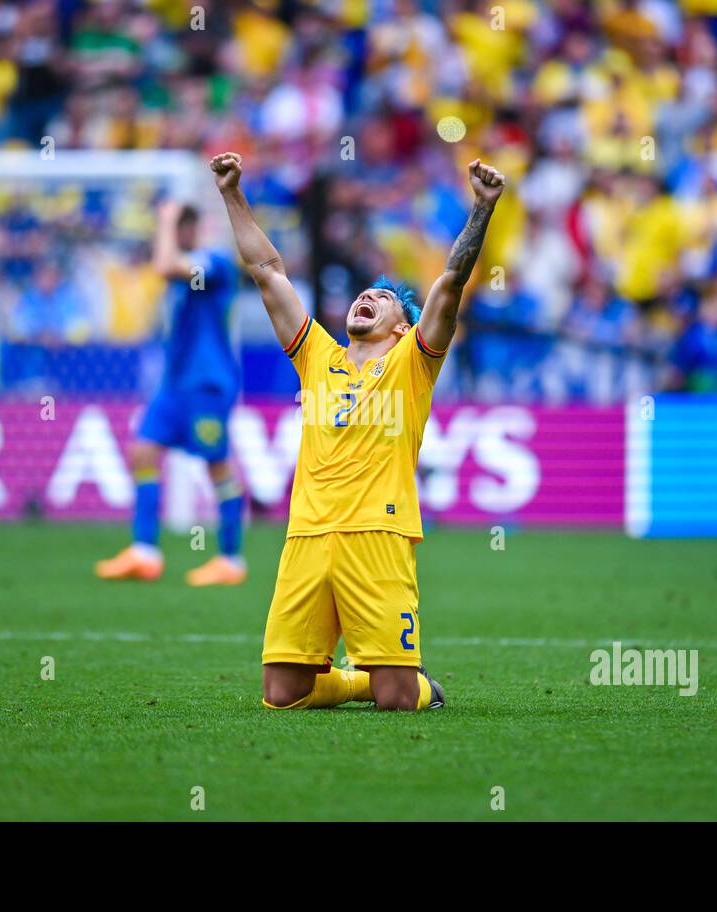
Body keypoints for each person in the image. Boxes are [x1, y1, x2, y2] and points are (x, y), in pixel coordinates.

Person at [210, 150, 505, 711]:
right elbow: (268, 272)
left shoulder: (413, 364)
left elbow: (450, 283)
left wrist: (482, 210)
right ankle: (352, 679)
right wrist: (232, 193)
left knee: (399, 699)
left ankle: (396, 681)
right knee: (281, 694)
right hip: (308, 535)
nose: (367, 296)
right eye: (364, 293)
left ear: (402, 328)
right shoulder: (317, 354)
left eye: (384, 298)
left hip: (379, 536)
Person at [95, 201, 247, 586]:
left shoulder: (214, 263)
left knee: (217, 466)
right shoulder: (185, 273)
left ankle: (231, 559)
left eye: (176, 228)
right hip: (174, 384)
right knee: (143, 451)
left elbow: (163, 265)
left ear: (191, 230)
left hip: (206, 384)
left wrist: (164, 218)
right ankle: (145, 551)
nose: (168, 235)